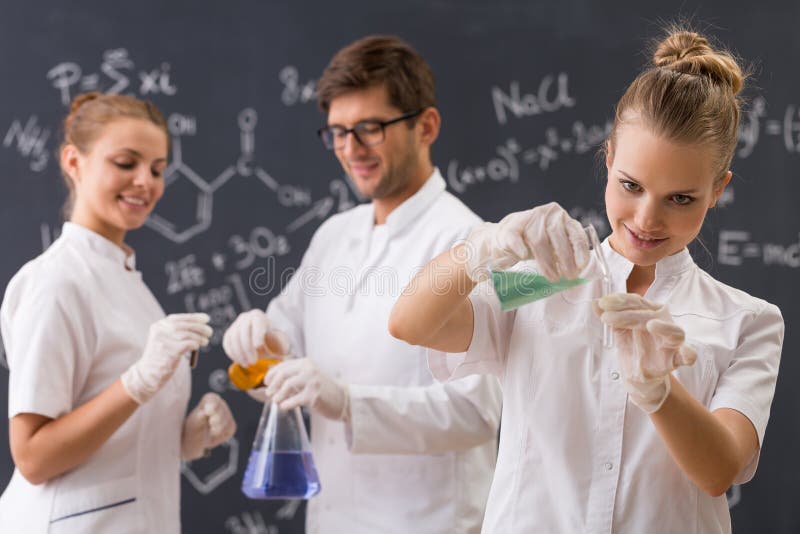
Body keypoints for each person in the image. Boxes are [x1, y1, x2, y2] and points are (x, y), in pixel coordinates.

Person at [389, 27, 784, 533]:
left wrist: (660, 391)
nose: (647, 218)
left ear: (718, 190)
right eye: (631, 185)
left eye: (680, 198)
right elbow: (409, 323)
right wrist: (482, 249)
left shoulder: (747, 321)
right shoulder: (541, 282)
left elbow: (719, 471)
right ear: (609, 156)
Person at [222, 36, 501, 533]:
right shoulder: (335, 236)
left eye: (369, 129)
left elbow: (477, 411)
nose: (351, 149)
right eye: (337, 132)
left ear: (426, 126)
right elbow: (281, 348)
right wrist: (256, 344)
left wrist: (348, 403)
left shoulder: (469, 243)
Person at [0, 93, 237, 533]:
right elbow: (33, 456)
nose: (145, 182)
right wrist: (138, 381)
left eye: (158, 169)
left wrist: (180, 440)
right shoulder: (57, 283)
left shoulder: (130, 283)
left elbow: (112, 432)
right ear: (74, 162)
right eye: (126, 163)